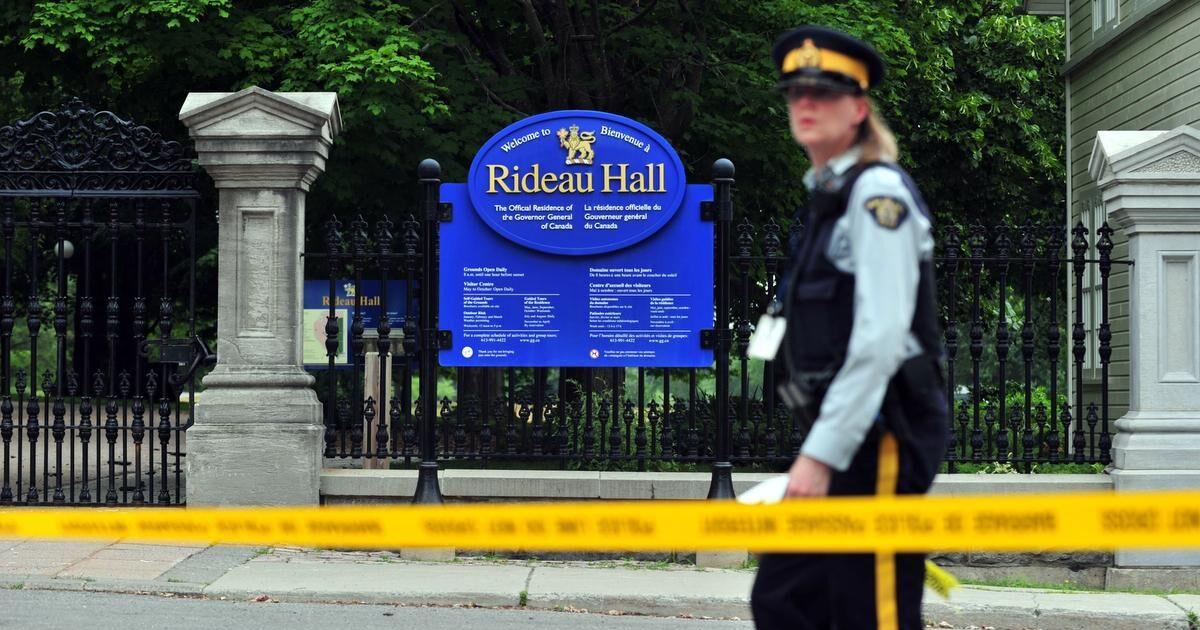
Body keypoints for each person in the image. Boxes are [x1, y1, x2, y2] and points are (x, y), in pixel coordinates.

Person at [749, 25, 950, 630]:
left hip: (883, 436)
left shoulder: (875, 195)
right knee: (787, 601)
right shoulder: (827, 198)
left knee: (873, 614)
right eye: (795, 93)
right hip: (847, 439)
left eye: (824, 92)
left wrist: (819, 455)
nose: (805, 104)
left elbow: (882, 337)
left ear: (858, 109)